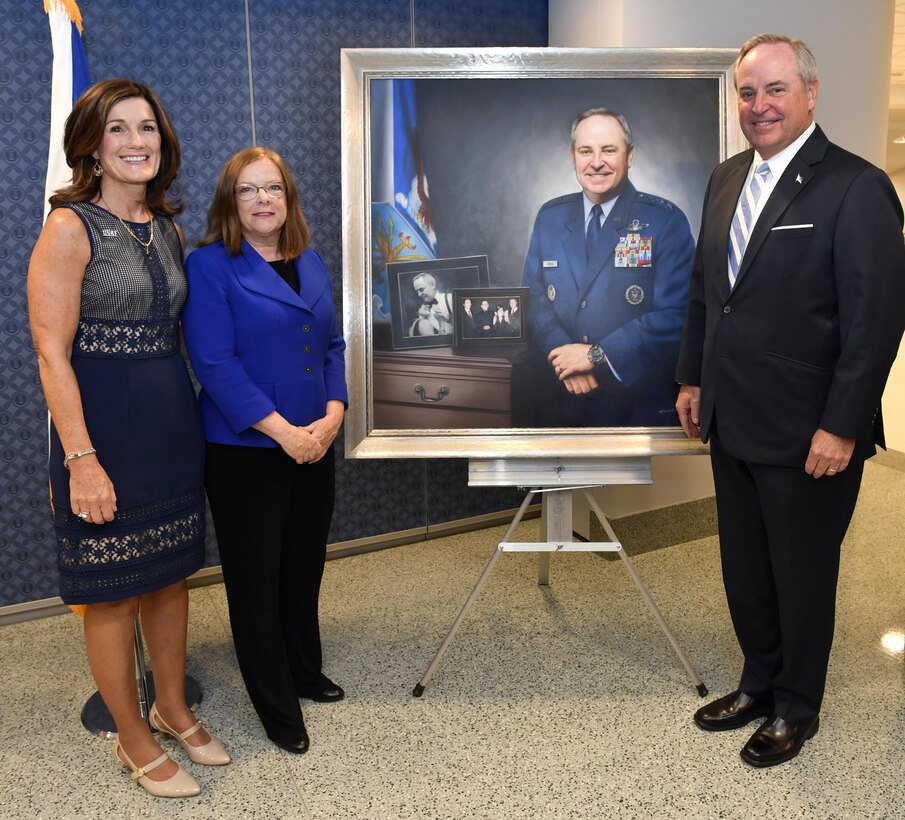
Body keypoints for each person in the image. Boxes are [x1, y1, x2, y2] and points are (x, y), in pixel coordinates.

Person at [676, 34, 905, 768]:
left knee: (800, 574)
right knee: (745, 569)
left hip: (809, 431)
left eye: (774, 90)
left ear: (809, 93)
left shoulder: (854, 185)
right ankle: (757, 682)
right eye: (747, 92)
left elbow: (874, 320)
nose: (758, 105)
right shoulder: (723, 179)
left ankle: (796, 706)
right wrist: (691, 378)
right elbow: (705, 294)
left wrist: (841, 425)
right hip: (731, 416)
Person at [27, 79, 229, 799]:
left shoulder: (167, 228)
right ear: (91, 143)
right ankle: (133, 737)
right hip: (101, 432)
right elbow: (52, 353)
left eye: (148, 128)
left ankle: (172, 706)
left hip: (170, 426)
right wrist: (81, 460)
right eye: (119, 129)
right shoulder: (68, 227)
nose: (136, 141)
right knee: (111, 591)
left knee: (171, 576)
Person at [181, 147, 348, 756]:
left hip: (316, 440)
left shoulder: (310, 259)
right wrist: (287, 433)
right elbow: (215, 365)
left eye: (273, 188)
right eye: (248, 190)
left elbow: (333, 345)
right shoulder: (209, 266)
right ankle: (276, 706)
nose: (262, 200)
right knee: (255, 581)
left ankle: (304, 671)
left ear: (288, 197)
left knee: (303, 569)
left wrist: (333, 416)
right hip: (247, 451)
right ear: (230, 200)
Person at [520, 107, 695, 426]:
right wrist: (565, 358)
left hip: (635, 402)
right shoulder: (550, 218)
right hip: (560, 400)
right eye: (586, 150)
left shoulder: (665, 221)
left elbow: (678, 315)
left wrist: (595, 356)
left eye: (609, 150)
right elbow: (533, 301)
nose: (596, 162)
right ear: (573, 156)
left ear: (629, 156)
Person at [408, 272, 452, 336]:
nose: (419, 294)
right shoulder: (423, 308)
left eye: (421, 289)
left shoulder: (449, 298)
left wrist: (442, 323)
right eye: (417, 291)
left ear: (432, 284)